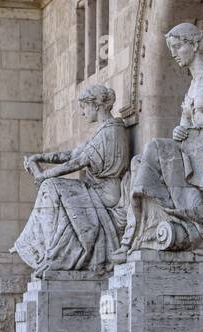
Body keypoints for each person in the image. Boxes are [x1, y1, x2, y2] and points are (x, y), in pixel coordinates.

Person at [119, 22, 203, 255]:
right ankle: (153, 223)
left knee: (154, 147)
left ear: (196, 44)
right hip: (191, 155)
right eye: (172, 48)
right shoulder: (192, 86)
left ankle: (145, 229)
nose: (174, 53)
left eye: (178, 46)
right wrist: (179, 131)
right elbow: (185, 125)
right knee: (139, 161)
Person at [13, 84, 129, 275]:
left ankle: (52, 253)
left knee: (51, 187)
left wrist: (44, 175)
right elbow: (72, 154)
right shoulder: (104, 131)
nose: (83, 113)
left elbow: (77, 163)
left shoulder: (111, 132)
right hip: (94, 189)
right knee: (52, 189)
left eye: (84, 107)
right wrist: (39, 158)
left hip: (105, 194)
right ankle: (49, 251)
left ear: (97, 106)